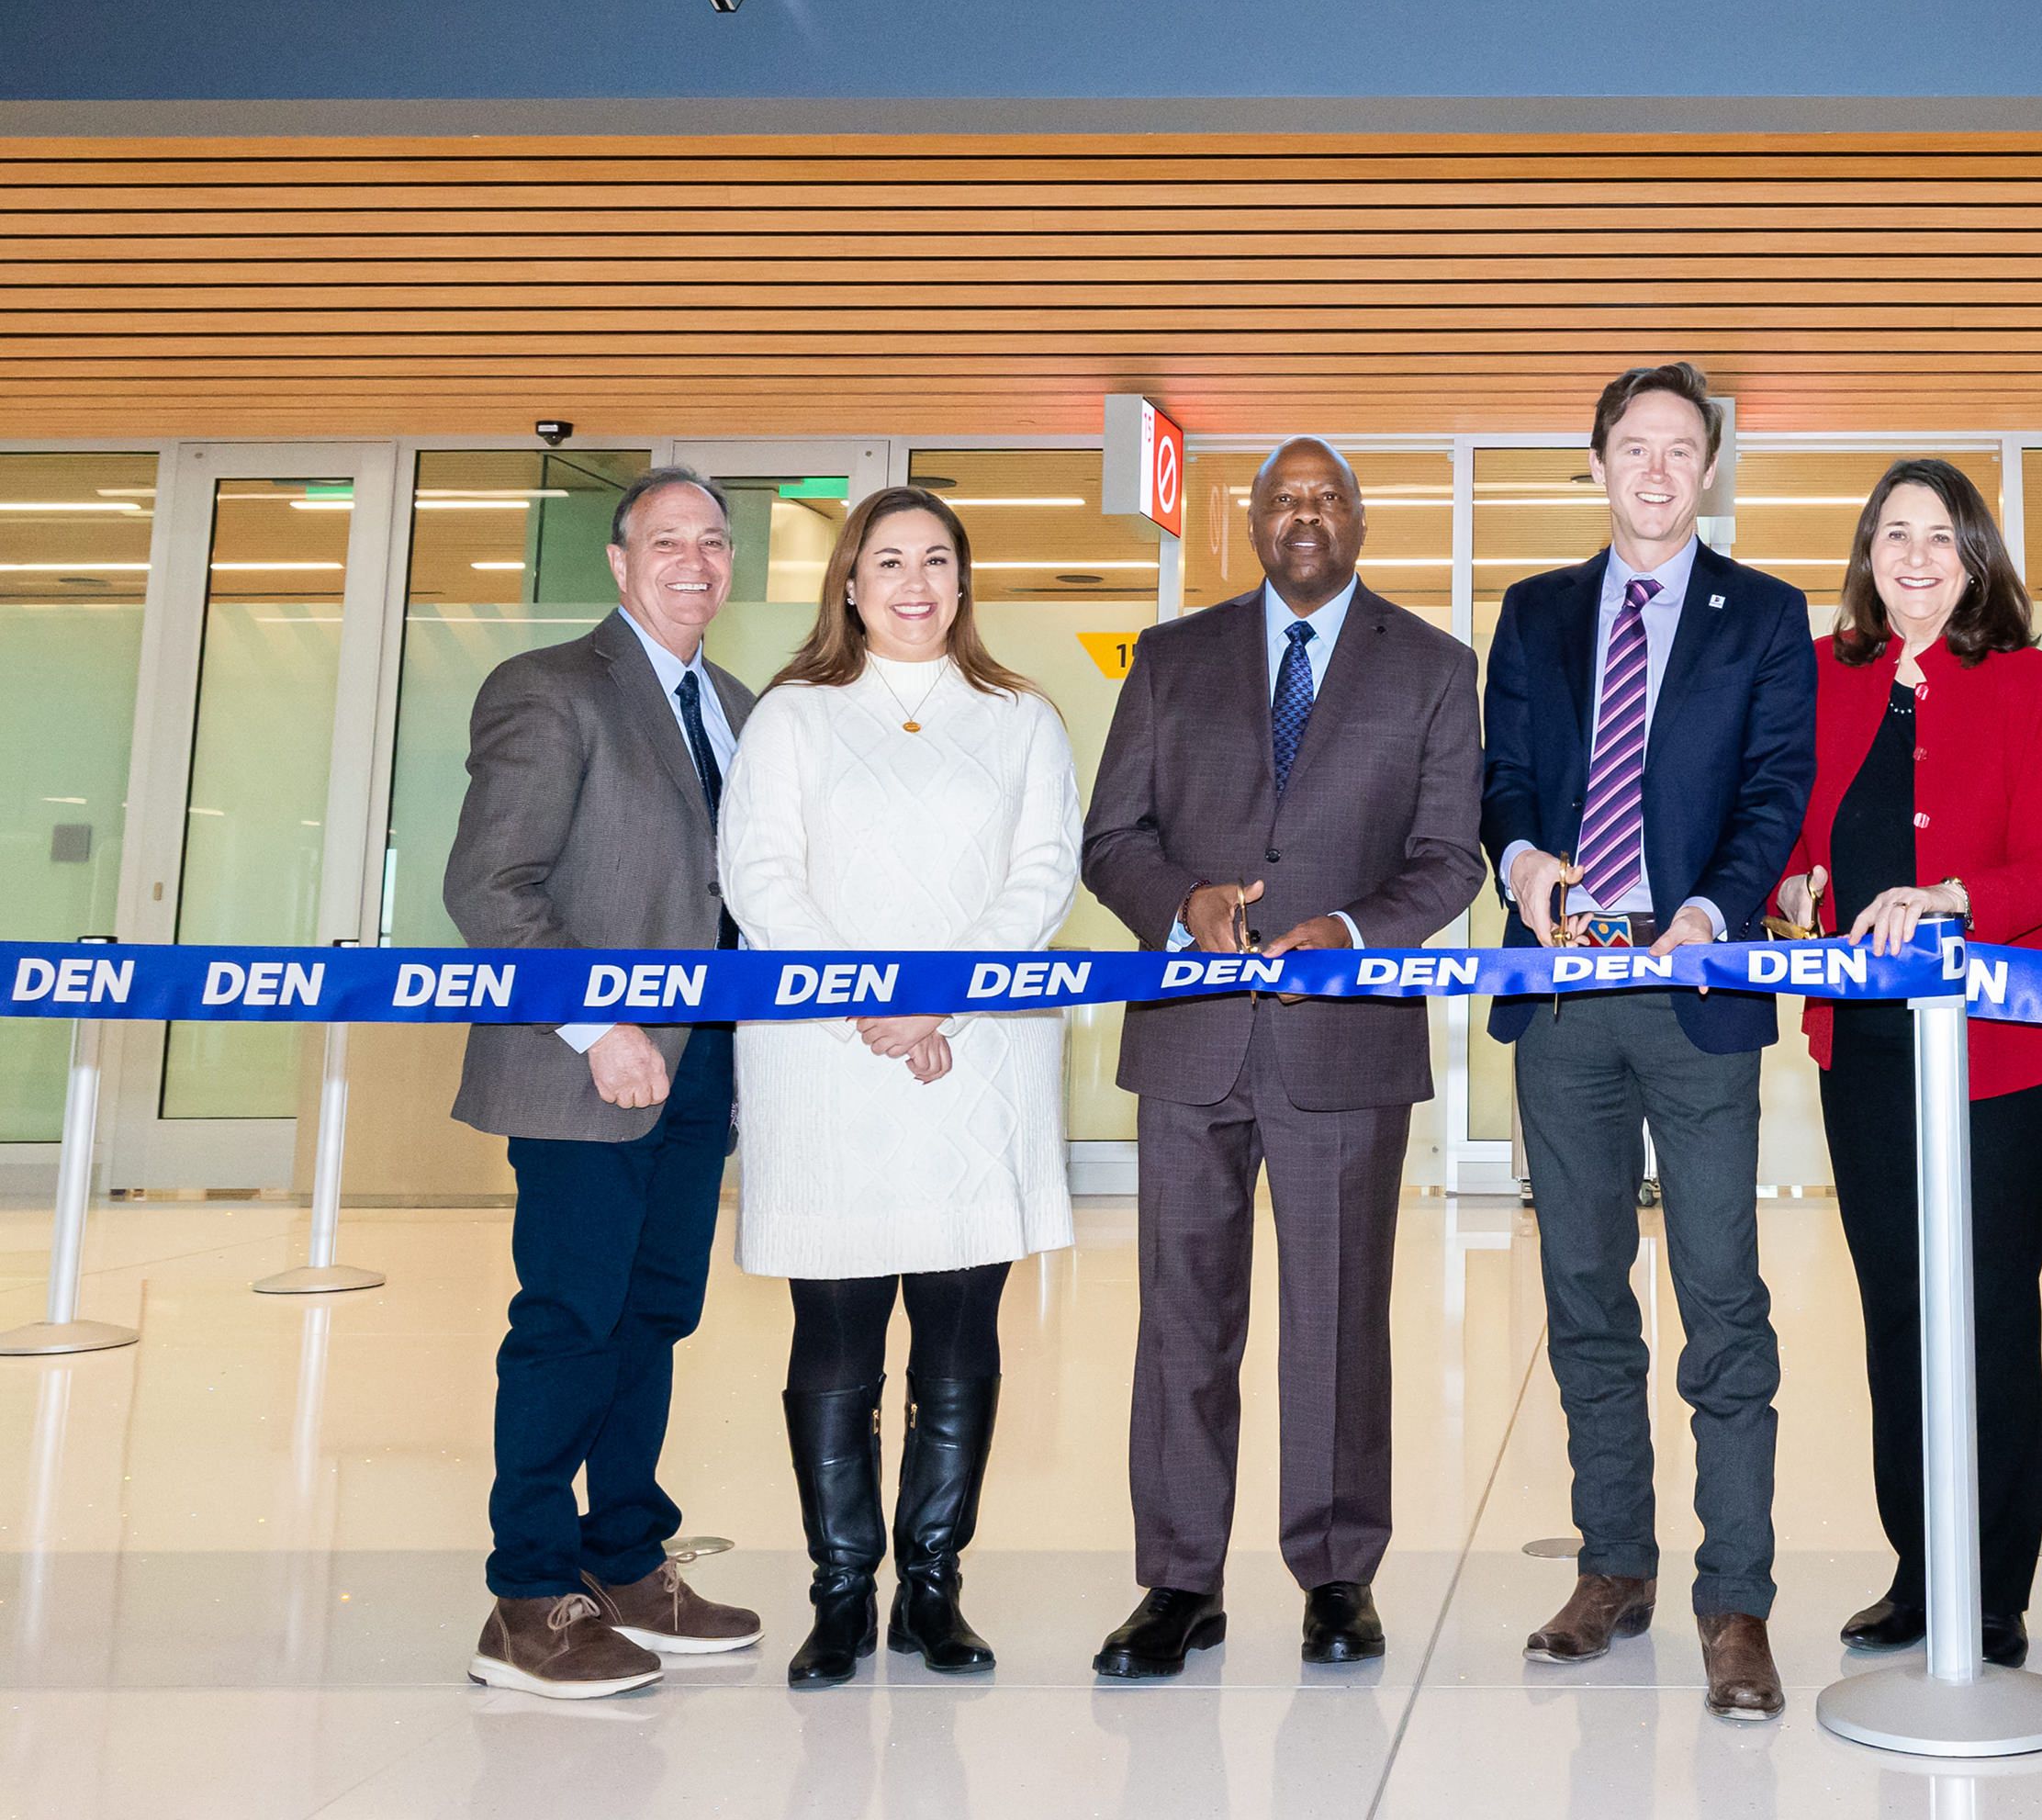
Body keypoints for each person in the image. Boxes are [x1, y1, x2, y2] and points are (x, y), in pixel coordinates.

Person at [1080, 437, 1485, 1680]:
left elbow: (1449, 857)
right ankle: (1178, 1581)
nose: (1305, 515)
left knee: (1338, 1321)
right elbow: (1112, 837)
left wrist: (1354, 934)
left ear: (1360, 520)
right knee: (1181, 1319)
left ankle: (1337, 1573)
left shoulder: (1433, 667)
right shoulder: (1169, 658)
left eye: (1328, 498)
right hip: (1191, 1041)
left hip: (1343, 1043)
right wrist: (1184, 902)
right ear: (1250, 522)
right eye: (1283, 499)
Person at [1480, 360, 1816, 1722]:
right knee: (1583, 1294)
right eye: (1635, 446)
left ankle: (1737, 1602)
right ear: (1600, 463)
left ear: (1710, 470)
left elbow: (1776, 786)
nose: (1659, 468)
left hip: (1697, 992)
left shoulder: (1765, 614)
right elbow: (1503, 776)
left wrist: (1710, 910)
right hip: (1562, 995)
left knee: (1722, 1300)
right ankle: (1613, 1565)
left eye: (1682, 447)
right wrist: (1522, 862)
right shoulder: (1537, 612)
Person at [715, 484, 1083, 1686]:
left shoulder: (1021, 718)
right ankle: (839, 1592)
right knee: (835, 1330)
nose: (914, 583)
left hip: (977, 1058)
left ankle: (932, 1586)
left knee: (959, 1327)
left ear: (963, 582)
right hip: (828, 1062)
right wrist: (870, 1003)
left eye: (935, 560)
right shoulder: (794, 716)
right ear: (851, 584)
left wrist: (941, 1003)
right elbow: (760, 876)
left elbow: (1042, 877)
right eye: (888, 561)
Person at [444, 464, 763, 1699]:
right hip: (586, 1064)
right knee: (570, 1321)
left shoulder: (733, 704)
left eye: (714, 542)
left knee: (654, 1316)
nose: (695, 561)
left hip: (699, 1064)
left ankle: (626, 1560)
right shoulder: (550, 687)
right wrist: (600, 1024)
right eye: (666, 541)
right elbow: (490, 887)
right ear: (621, 563)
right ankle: (527, 1596)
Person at [1770, 458, 2042, 1669]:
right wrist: (1792, 888)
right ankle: (1920, 1567)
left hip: (2003, 1047)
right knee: (1895, 1306)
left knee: (1991, 1305)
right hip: (1864, 1046)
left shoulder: (2032, 682)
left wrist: (1952, 895)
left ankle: (1995, 1585)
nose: (1916, 558)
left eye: (1942, 537)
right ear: (1867, 555)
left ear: (1977, 560)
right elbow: (1785, 834)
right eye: (1894, 535)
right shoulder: (1820, 676)